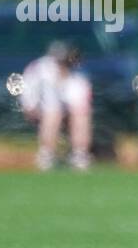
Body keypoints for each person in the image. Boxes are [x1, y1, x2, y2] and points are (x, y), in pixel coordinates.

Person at [20, 40, 92, 171]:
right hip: (41, 111)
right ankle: (47, 154)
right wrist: (30, 107)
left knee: (79, 115)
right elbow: (28, 94)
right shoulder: (39, 69)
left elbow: (79, 104)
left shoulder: (78, 76)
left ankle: (79, 155)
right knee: (53, 112)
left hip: (62, 112)